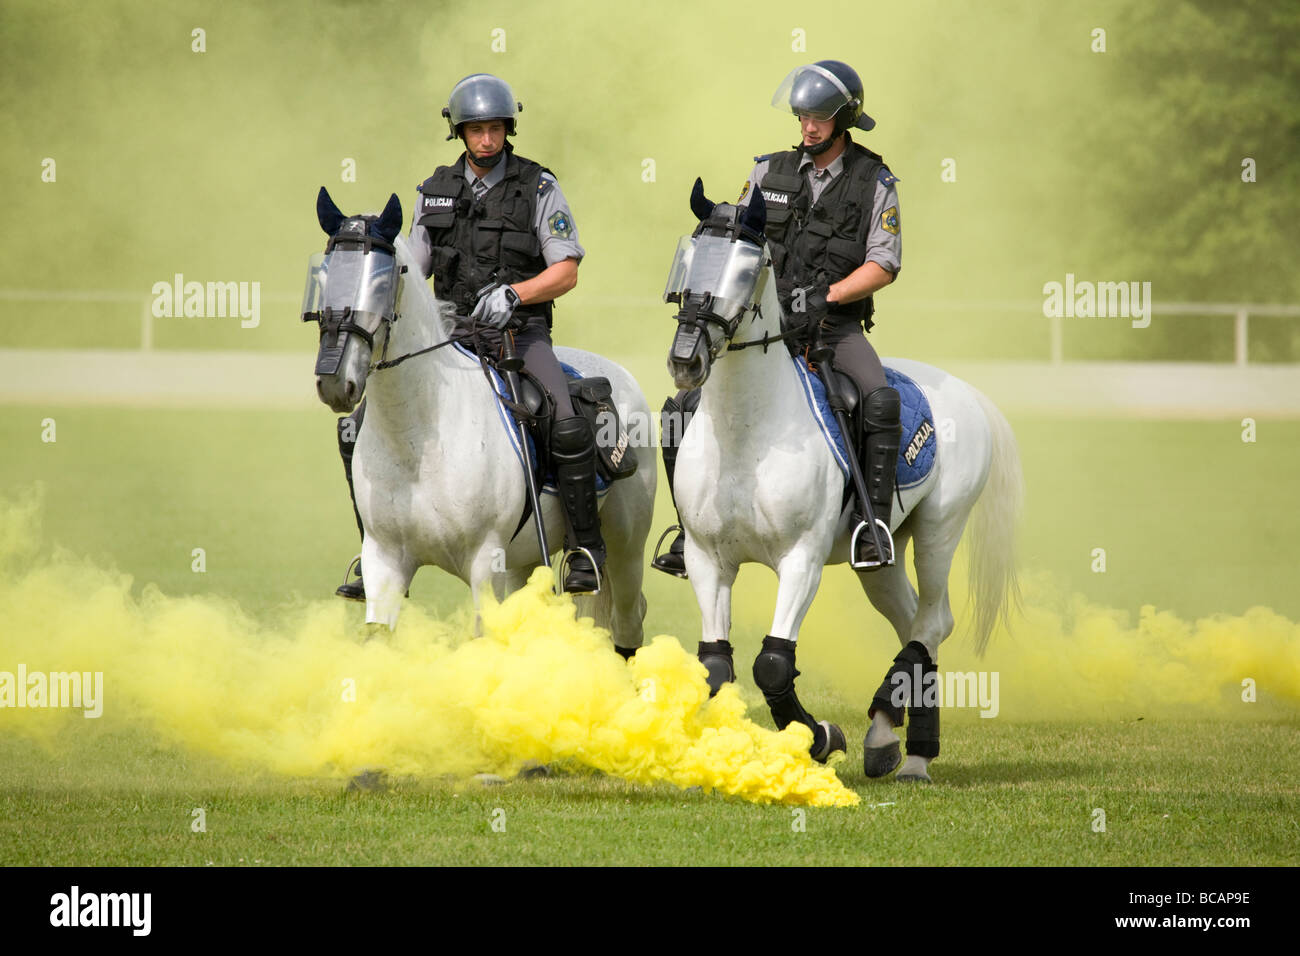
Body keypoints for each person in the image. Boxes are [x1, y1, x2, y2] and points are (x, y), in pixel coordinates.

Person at [336, 72, 604, 597]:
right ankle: (373, 547)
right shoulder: (433, 192)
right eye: (476, 129)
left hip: (520, 336)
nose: (487, 139)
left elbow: (566, 270)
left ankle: (584, 550)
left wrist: (516, 295)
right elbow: (413, 269)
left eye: (496, 128)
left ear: (509, 128)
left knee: (566, 418)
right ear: (459, 132)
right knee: (356, 426)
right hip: (449, 336)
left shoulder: (538, 187)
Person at [653, 59, 903, 576]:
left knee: (878, 399)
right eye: (802, 115)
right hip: (766, 332)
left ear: (845, 119)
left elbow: (883, 263)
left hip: (835, 330)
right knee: (679, 408)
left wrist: (827, 297)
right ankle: (688, 532)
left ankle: (871, 527)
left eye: (819, 117)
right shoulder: (768, 171)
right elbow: (739, 241)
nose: (807, 126)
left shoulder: (873, 180)